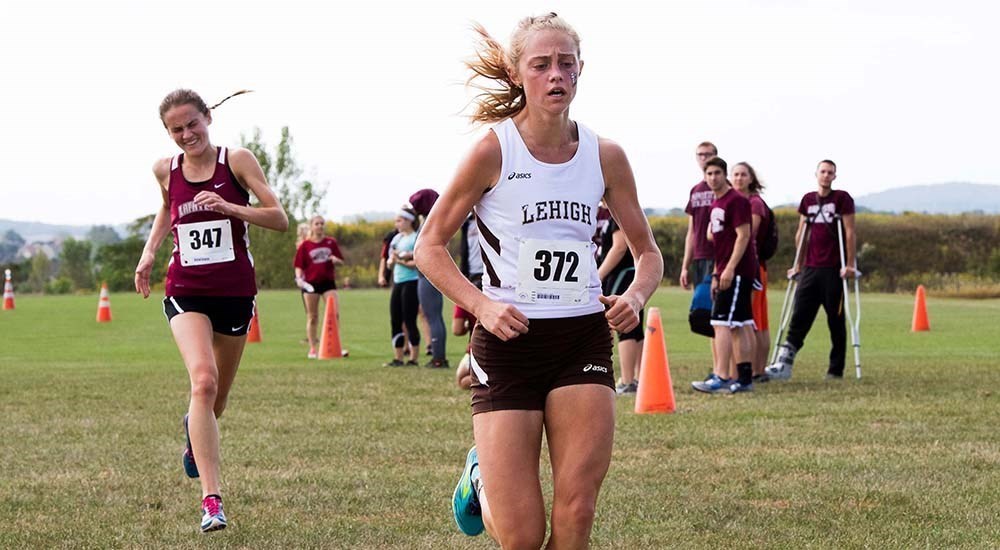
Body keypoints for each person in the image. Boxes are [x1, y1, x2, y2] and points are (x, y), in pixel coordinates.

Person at [415, 13, 662, 548]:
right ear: (518, 72)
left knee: (576, 516)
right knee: (523, 538)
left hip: (582, 339)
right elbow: (428, 247)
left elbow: (647, 253)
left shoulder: (606, 155)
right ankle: (481, 476)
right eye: (542, 65)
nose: (556, 76)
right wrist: (481, 306)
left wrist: (636, 296)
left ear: (580, 71)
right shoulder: (492, 151)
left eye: (566, 64)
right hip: (509, 344)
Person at [134, 89, 288, 532]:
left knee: (216, 401)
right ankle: (212, 500)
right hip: (185, 289)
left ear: (208, 118)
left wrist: (229, 207)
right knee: (203, 381)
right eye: (176, 130)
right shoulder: (165, 169)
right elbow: (168, 210)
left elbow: (278, 218)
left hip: (236, 292)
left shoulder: (236, 161)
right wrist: (149, 253)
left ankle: (193, 433)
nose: (186, 135)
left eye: (192, 124)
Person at [766, 160, 857, 380]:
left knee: (835, 320)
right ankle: (784, 363)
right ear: (816, 174)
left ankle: (835, 369)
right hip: (810, 268)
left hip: (833, 270)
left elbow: (850, 231)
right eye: (823, 172)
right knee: (799, 315)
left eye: (830, 173)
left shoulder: (842, 199)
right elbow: (802, 233)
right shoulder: (808, 200)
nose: (826, 176)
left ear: (835, 176)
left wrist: (850, 264)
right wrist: (798, 263)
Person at [691, 157, 758, 394]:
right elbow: (715, 238)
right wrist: (717, 272)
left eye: (717, 173)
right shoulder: (715, 203)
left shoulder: (736, 201)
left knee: (720, 322)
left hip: (738, 271)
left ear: (725, 174)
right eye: (709, 174)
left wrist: (729, 269)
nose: (713, 178)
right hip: (724, 269)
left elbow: (743, 236)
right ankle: (744, 379)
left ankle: (721, 376)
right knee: (740, 325)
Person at [680, 142, 721, 381]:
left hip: (719, 258)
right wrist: (686, 265)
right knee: (706, 314)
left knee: (722, 316)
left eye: (709, 154)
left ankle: (727, 368)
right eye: (700, 155)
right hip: (700, 258)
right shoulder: (696, 191)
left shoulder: (723, 188)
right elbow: (692, 231)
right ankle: (717, 367)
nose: (704, 158)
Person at [731, 162, 771, 382]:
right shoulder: (738, 202)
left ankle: (757, 369)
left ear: (751, 178)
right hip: (746, 267)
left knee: (755, 320)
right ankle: (755, 369)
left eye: (743, 174)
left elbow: (748, 235)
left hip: (752, 268)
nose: (738, 178)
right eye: (735, 174)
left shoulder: (754, 203)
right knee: (753, 319)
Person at [597, 210, 644, 395]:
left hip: (622, 274)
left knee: (623, 326)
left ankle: (627, 380)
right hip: (628, 274)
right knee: (635, 329)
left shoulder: (618, 214)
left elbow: (619, 247)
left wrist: (599, 274)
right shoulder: (613, 216)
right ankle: (640, 378)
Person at [293, 215, 345, 358]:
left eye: (322, 223)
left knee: (335, 314)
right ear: (312, 226)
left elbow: (341, 261)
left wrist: (336, 260)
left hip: (328, 283)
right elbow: (298, 265)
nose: (320, 226)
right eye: (317, 224)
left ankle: (336, 345)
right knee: (312, 316)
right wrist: (298, 278)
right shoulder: (305, 245)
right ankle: (312, 348)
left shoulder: (331, 242)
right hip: (311, 284)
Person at [409, 188, 449, 368]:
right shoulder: (433, 220)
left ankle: (439, 358)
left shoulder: (431, 223)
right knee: (433, 316)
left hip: (428, 275)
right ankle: (438, 355)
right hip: (426, 275)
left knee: (433, 316)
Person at [385, 207, 422, 366]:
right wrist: (392, 261)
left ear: (408, 221)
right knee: (395, 319)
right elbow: (389, 262)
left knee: (409, 319)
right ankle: (398, 357)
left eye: (399, 220)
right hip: (398, 282)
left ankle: (413, 358)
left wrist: (402, 260)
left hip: (411, 282)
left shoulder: (415, 238)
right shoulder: (396, 239)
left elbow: (418, 263)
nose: (397, 224)